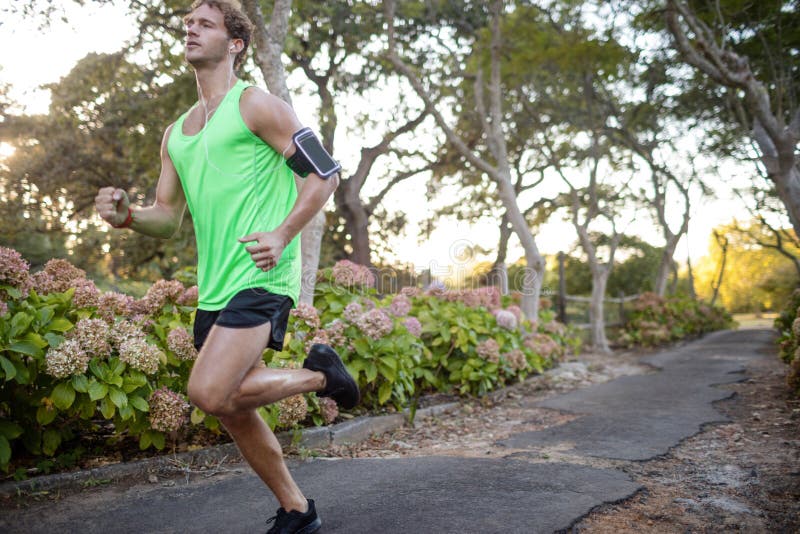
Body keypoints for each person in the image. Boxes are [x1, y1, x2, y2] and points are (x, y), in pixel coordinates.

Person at [94, 1, 359, 532]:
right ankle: (297, 510)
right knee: (235, 410)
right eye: (188, 23)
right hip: (214, 288)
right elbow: (167, 217)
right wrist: (127, 218)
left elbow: (324, 174)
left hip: (261, 275)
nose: (190, 29)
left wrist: (283, 234)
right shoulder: (177, 134)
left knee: (209, 393)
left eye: (205, 24)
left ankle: (319, 377)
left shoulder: (258, 105)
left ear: (235, 43)